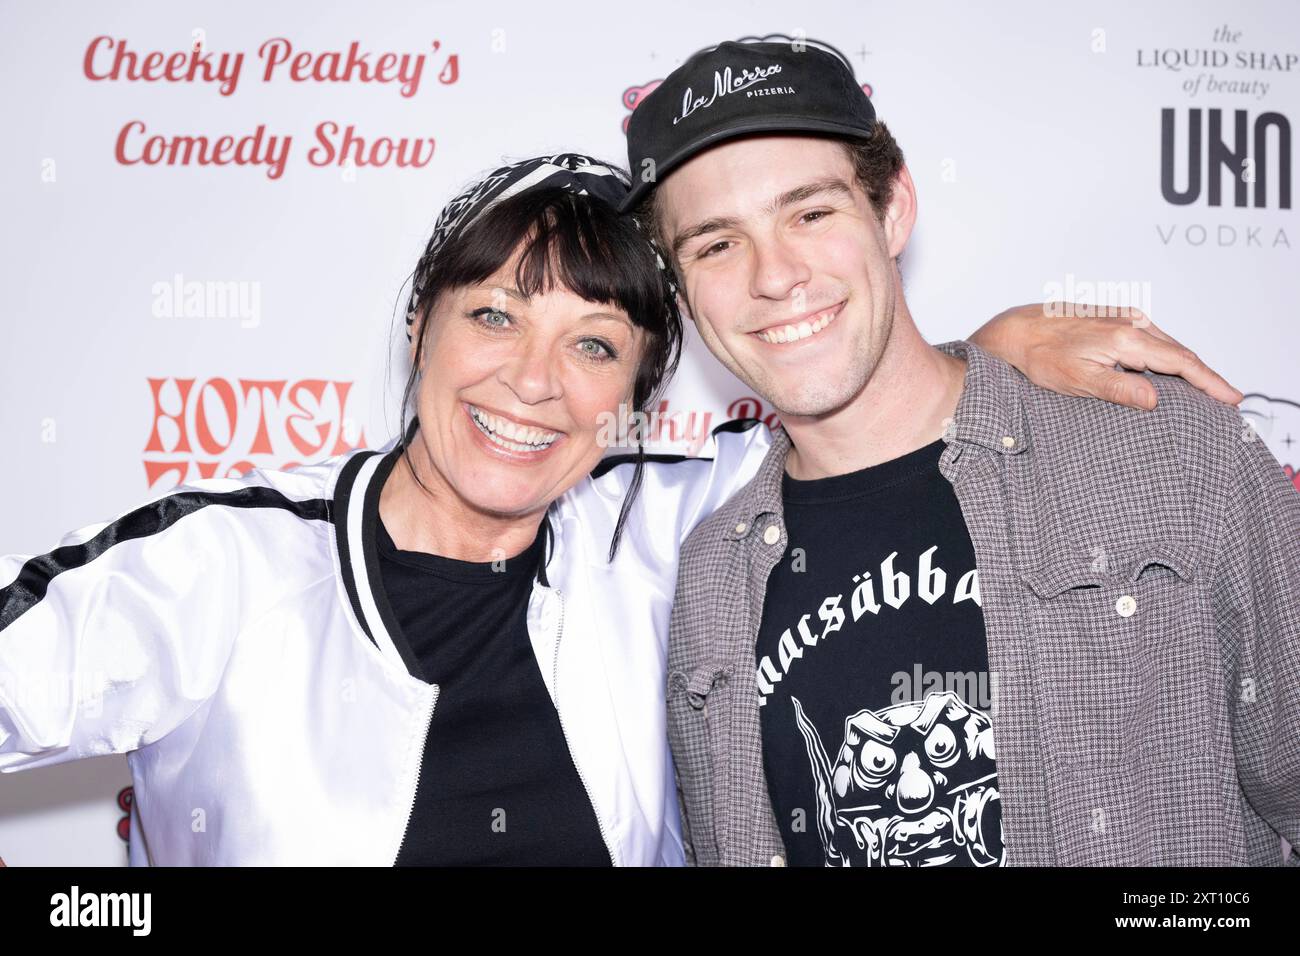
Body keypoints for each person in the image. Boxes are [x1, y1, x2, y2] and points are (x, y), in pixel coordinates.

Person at [0, 151, 1239, 866]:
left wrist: (991, 345)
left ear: (639, 398)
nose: (531, 381)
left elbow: (857, 398)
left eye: (592, 346)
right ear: (419, 328)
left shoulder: (668, 531)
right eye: (492, 316)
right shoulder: (220, 572)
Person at [625, 38, 1300, 867]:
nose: (775, 276)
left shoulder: (1174, 458)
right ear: (683, 288)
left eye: (810, 212)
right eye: (717, 244)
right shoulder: (709, 583)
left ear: (894, 207)